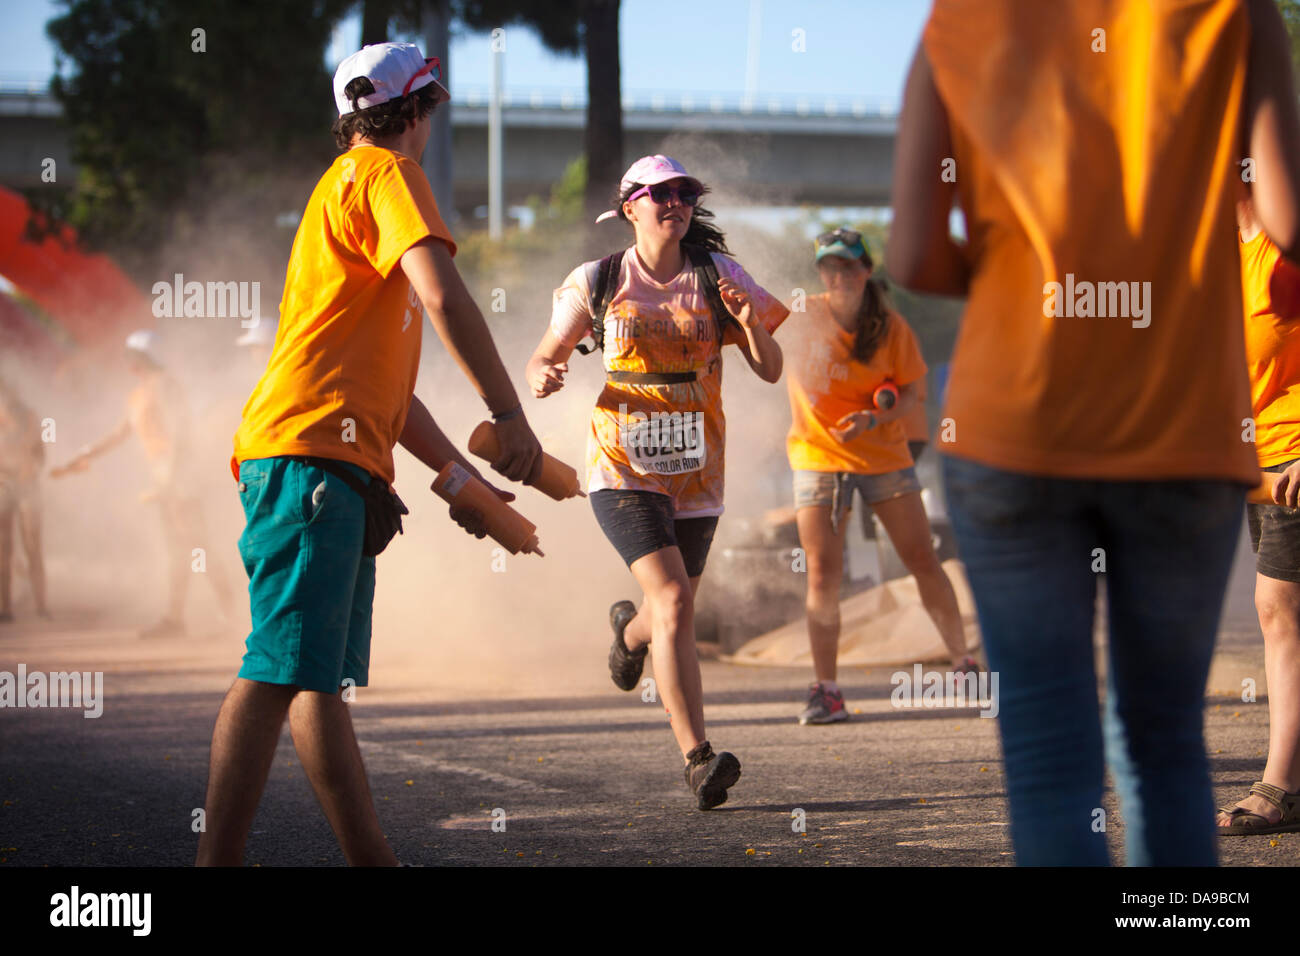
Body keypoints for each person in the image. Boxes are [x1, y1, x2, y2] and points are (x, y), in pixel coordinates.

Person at [890, 0, 1300, 865]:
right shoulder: (1239, 14)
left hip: (1013, 426)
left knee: (1047, 753)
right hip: (1182, 428)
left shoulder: (960, 22)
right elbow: (1289, 224)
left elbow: (918, 255)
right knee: (1164, 743)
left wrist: (1023, 272)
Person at [195, 42, 541, 866]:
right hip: (312, 458)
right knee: (276, 669)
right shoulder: (388, 174)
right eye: (432, 110)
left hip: (317, 454)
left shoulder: (337, 187)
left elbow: (394, 397)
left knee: (315, 679)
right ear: (418, 109)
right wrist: (507, 413)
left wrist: (464, 482)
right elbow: (443, 291)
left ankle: (370, 859)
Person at [526, 154, 786, 809]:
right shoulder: (600, 278)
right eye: (657, 194)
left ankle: (626, 635)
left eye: (682, 193)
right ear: (629, 208)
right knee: (674, 602)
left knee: (668, 612)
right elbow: (545, 354)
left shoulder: (718, 274)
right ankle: (698, 758)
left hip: (699, 469)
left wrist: (752, 326)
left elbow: (771, 370)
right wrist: (541, 374)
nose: (673, 202)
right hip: (622, 464)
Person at [783, 228, 973, 725]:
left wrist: (871, 418)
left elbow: (910, 395)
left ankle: (964, 664)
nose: (839, 275)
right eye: (829, 266)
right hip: (818, 457)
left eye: (849, 265)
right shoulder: (802, 313)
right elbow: (755, 328)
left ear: (868, 271)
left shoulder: (892, 328)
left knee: (921, 558)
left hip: (884, 456)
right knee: (823, 573)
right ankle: (826, 690)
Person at [51, 331, 234, 638]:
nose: (125, 360)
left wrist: (172, 479)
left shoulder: (164, 384)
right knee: (179, 549)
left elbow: (179, 433)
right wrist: (81, 457)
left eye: (130, 354)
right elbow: (119, 433)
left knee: (197, 544)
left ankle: (229, 612)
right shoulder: (138, 394)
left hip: (179, 475)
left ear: (142, 357)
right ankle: (175, 618)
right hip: (163, 475)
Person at [1218, 195, 1300, 834]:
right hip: (1259, 467)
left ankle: (1280, 785)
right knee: (1283, 617)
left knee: (1278, 609)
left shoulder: (1286, 246)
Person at [0, 377, 48, 622]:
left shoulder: (31, 417)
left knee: (32, 546)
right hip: (4, 487)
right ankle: (5, 607)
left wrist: (33, 469)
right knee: (3, 548)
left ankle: (42, 606)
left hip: (28, 485)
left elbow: (42, 451)